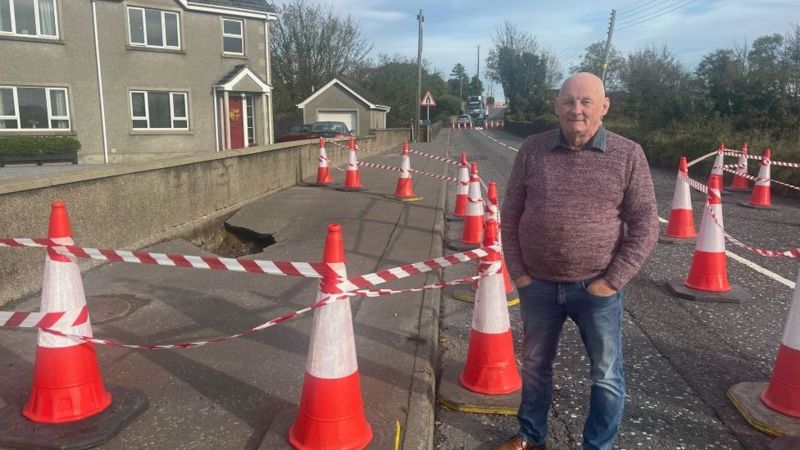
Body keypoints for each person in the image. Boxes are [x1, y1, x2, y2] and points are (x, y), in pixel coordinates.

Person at [497, 72, 659, 450]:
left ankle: (596, 446)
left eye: (587, 101)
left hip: (596, 289)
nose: (577, 110)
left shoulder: (628, 154)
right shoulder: (533, 150)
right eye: (568, 101)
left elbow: (646, 225)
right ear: (556, 107)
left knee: (605, 376)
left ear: (604, 106)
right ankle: (530, 435)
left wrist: (612, 282)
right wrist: (519, 274)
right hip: (537, 286)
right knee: (535, 367)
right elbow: (510, 217)